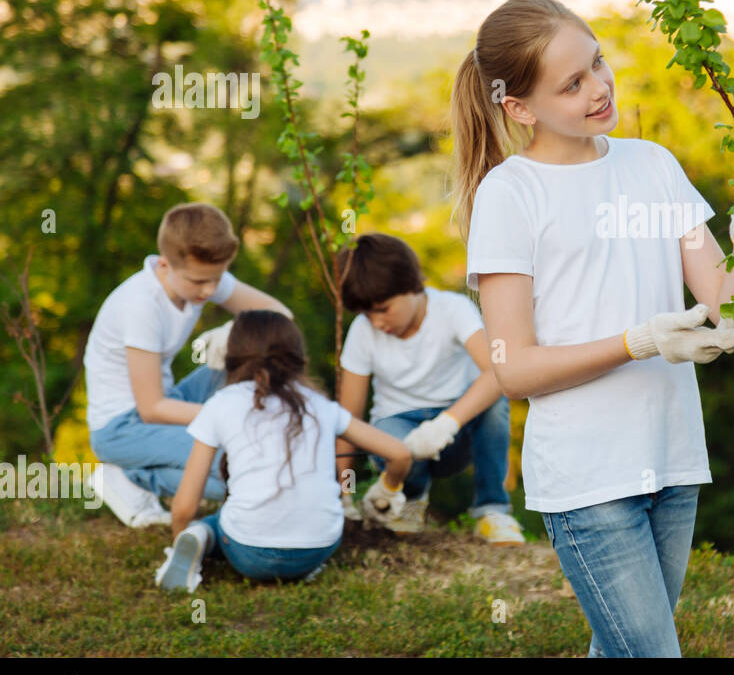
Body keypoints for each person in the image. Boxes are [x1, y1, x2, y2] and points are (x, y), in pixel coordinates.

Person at [454, 0, 734, 657]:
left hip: (670, 457)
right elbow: (514, 367)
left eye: (597, 63)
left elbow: (731, 312)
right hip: (588, 477)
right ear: (519, 107)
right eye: (572, 84)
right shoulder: (511, 194)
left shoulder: (651, 165)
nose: (599, 88)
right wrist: (638, 342)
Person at [155, 310, 412, 592]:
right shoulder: (319, 405)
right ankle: (302, 566)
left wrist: (179, 533)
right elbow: (399, 454)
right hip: (317, 548)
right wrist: (389, 487)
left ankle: (197, 540)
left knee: (214, 524)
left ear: (233, 356)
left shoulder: (222, 404)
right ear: (298, 356)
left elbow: (184, 506)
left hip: (248, 553)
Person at [85, 202, 293, 527]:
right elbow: (152, 408)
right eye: (199, 282)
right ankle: (132, 477)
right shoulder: (140, 306)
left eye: (217, 278)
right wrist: (233, 418)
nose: (209, 290)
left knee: (259, 352)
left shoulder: (201, 275)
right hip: (122, 428)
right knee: (238, 469)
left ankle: (141, 469)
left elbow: (281, 319)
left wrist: (235, 333)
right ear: (166, 265)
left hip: (167, 403)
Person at [332, 232, 523, 543]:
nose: (377, 322)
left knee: (494, 402)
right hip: (398, 430)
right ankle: (410, 500)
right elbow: (347, 419)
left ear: (411, 286)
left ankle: (493, 511)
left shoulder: (453, 309)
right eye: (367, 314)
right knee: (390, 440)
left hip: (456, 431)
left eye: (382, 308)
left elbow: (497, 373)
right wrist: (343, 493)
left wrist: (444, 425)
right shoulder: (362, 333)